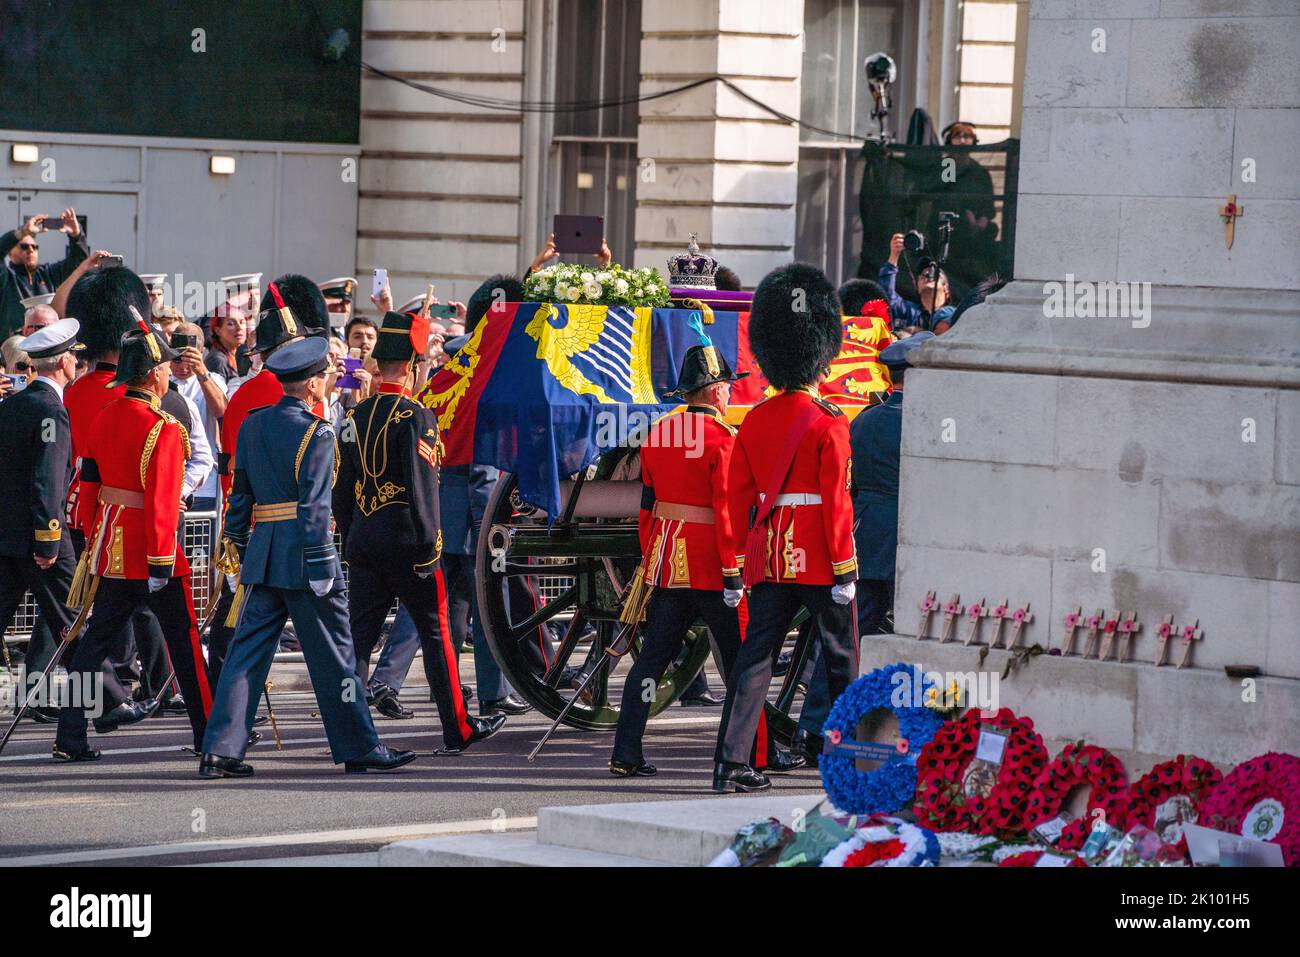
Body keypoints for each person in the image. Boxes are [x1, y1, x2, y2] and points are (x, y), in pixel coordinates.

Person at [198, 337, 414, 777]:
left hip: (263, 554)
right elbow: (315, 507)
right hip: (305, 556)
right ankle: (359, 746)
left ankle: (221, 748)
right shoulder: (316, 432)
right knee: (336, 656)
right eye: (326, 376)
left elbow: (240, 499)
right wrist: (320, 565)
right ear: (313, 384)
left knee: (246, 655)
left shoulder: (254, 425)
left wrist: (236, 551)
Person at [609, 338, 803, 778]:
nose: (730, 392)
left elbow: (648, 508)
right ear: (715, 391)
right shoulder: (723, 441)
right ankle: (755, 754)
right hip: (715, 570)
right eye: (727, 386)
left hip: (667, 562)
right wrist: (735, 571)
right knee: (742, 665)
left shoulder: (659, 434)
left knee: (650, 663)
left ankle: (626, 749)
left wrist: (652, 557)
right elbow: (728, 513)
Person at [712, 263, 858, 793]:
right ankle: (848, 759)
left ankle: (730, 763)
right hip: (820, 553)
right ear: (821, 355)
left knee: (755, 660)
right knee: (841, 657)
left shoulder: (753, 418)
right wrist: (845, 567)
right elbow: (836, 502)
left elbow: (733, 500)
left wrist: (732, 566)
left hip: (771, 554)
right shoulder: (829, 420)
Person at [335, 310, 506, 754]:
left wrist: (353, 539)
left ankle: (350, 730)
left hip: (365, 543)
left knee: (358, 643)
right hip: (412, 545)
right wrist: (431, 545)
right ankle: (458, 728)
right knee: (438, 638)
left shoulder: (354, 418)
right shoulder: (417, 417)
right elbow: (422, 488)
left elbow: (343, 491)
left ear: (378, 365)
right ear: (411, 367)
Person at [52, 320, 215, 761]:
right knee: (185, 648)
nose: (167, 374)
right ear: (151, 374)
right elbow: (162, 501)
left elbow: (88, 483)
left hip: (112, 548)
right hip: (153, 553)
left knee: (92, 647)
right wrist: (162, 564)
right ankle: (210, 738)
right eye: (163, 367)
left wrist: (90, 536)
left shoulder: (105, 416)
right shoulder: (161, 426)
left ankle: (70, 738)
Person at [208, 276, 329, 682]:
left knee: (244, 617)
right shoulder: (281, 395)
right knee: (243, 618)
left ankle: (224, 705)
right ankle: (222, 699)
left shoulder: (247, 394)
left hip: (257, 525)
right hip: (286, 529)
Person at [0, 319, 82, 720]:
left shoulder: (13, 405)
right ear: (64, 361)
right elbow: (47, 480)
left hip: (7, 537)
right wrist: (49, 539)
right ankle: (103, 704)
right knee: (75, 622)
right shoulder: (51, 411)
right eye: (74, 357)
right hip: (38, 540)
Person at [1, 210, 88, 338]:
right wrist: (22, 233)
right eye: (24, 246)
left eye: (35, 247)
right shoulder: (5, 277)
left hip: (47, 342)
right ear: (9, 253)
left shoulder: (48, 273)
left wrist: (76, 235)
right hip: (15, 346)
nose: (31, 250)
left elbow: (78, 264)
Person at [880, 236, 953, 332]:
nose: (926, 275)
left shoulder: (955, 314)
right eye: (922, 275)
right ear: (917, 287)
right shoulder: (909, 311)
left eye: (932, 273)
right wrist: (894, 255)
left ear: (945, 288)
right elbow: (887, 296)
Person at [204, 302, 248, 379]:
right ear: (218, 330)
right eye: (231, 323)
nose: (239, 327)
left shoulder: (241, 355)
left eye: (242, 322)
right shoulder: (217, 361)